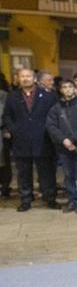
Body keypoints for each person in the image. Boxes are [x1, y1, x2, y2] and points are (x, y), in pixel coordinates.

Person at [2, 68, 58, 211]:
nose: (25, 79)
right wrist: (14, 130)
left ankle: (49, 197)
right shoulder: (12, 96)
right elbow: (7, 116)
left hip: (43, 138)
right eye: (22, 76)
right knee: (24, 172)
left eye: (28, 76)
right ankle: (25, 199)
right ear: (18, 79)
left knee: (46, 171)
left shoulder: (48, 96)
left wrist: (50, 130)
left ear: (34, 79)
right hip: (21, 140)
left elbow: (54, 115)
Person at [45, 78, 77, 213]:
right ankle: (72, 201)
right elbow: (51, 126)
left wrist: (72, 140)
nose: (67, 89)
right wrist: (64, 140)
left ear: (75, 88)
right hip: (63, 146)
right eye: (64, 87)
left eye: (70, 87)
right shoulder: (55, 108)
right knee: (68, 175)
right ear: (60, 90)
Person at [0, 70, 10, 199]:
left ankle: (5, 186)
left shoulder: (3, 96)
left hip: (1, 133)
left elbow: (7, 115)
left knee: (3, 162)